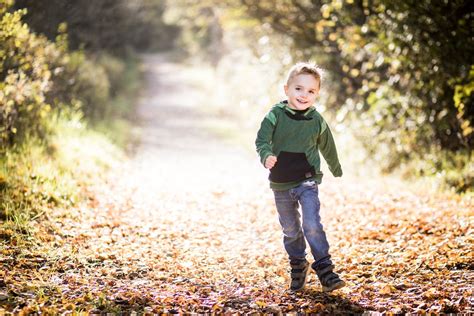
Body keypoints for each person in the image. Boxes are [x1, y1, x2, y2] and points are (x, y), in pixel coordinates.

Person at [255, 62, 346, 292]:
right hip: (281, 181)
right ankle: (298, 265)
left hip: (307, 179)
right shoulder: (275, 115)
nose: (304, 95)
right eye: (298, 89)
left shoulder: (316, 120)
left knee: (312, 224)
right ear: (286, 89)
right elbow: (262, 140)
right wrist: (266, 155)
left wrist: (335, 167)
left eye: (311, 91)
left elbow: (328, 145)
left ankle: (326, 271)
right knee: (291, 229)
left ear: (317, 94)